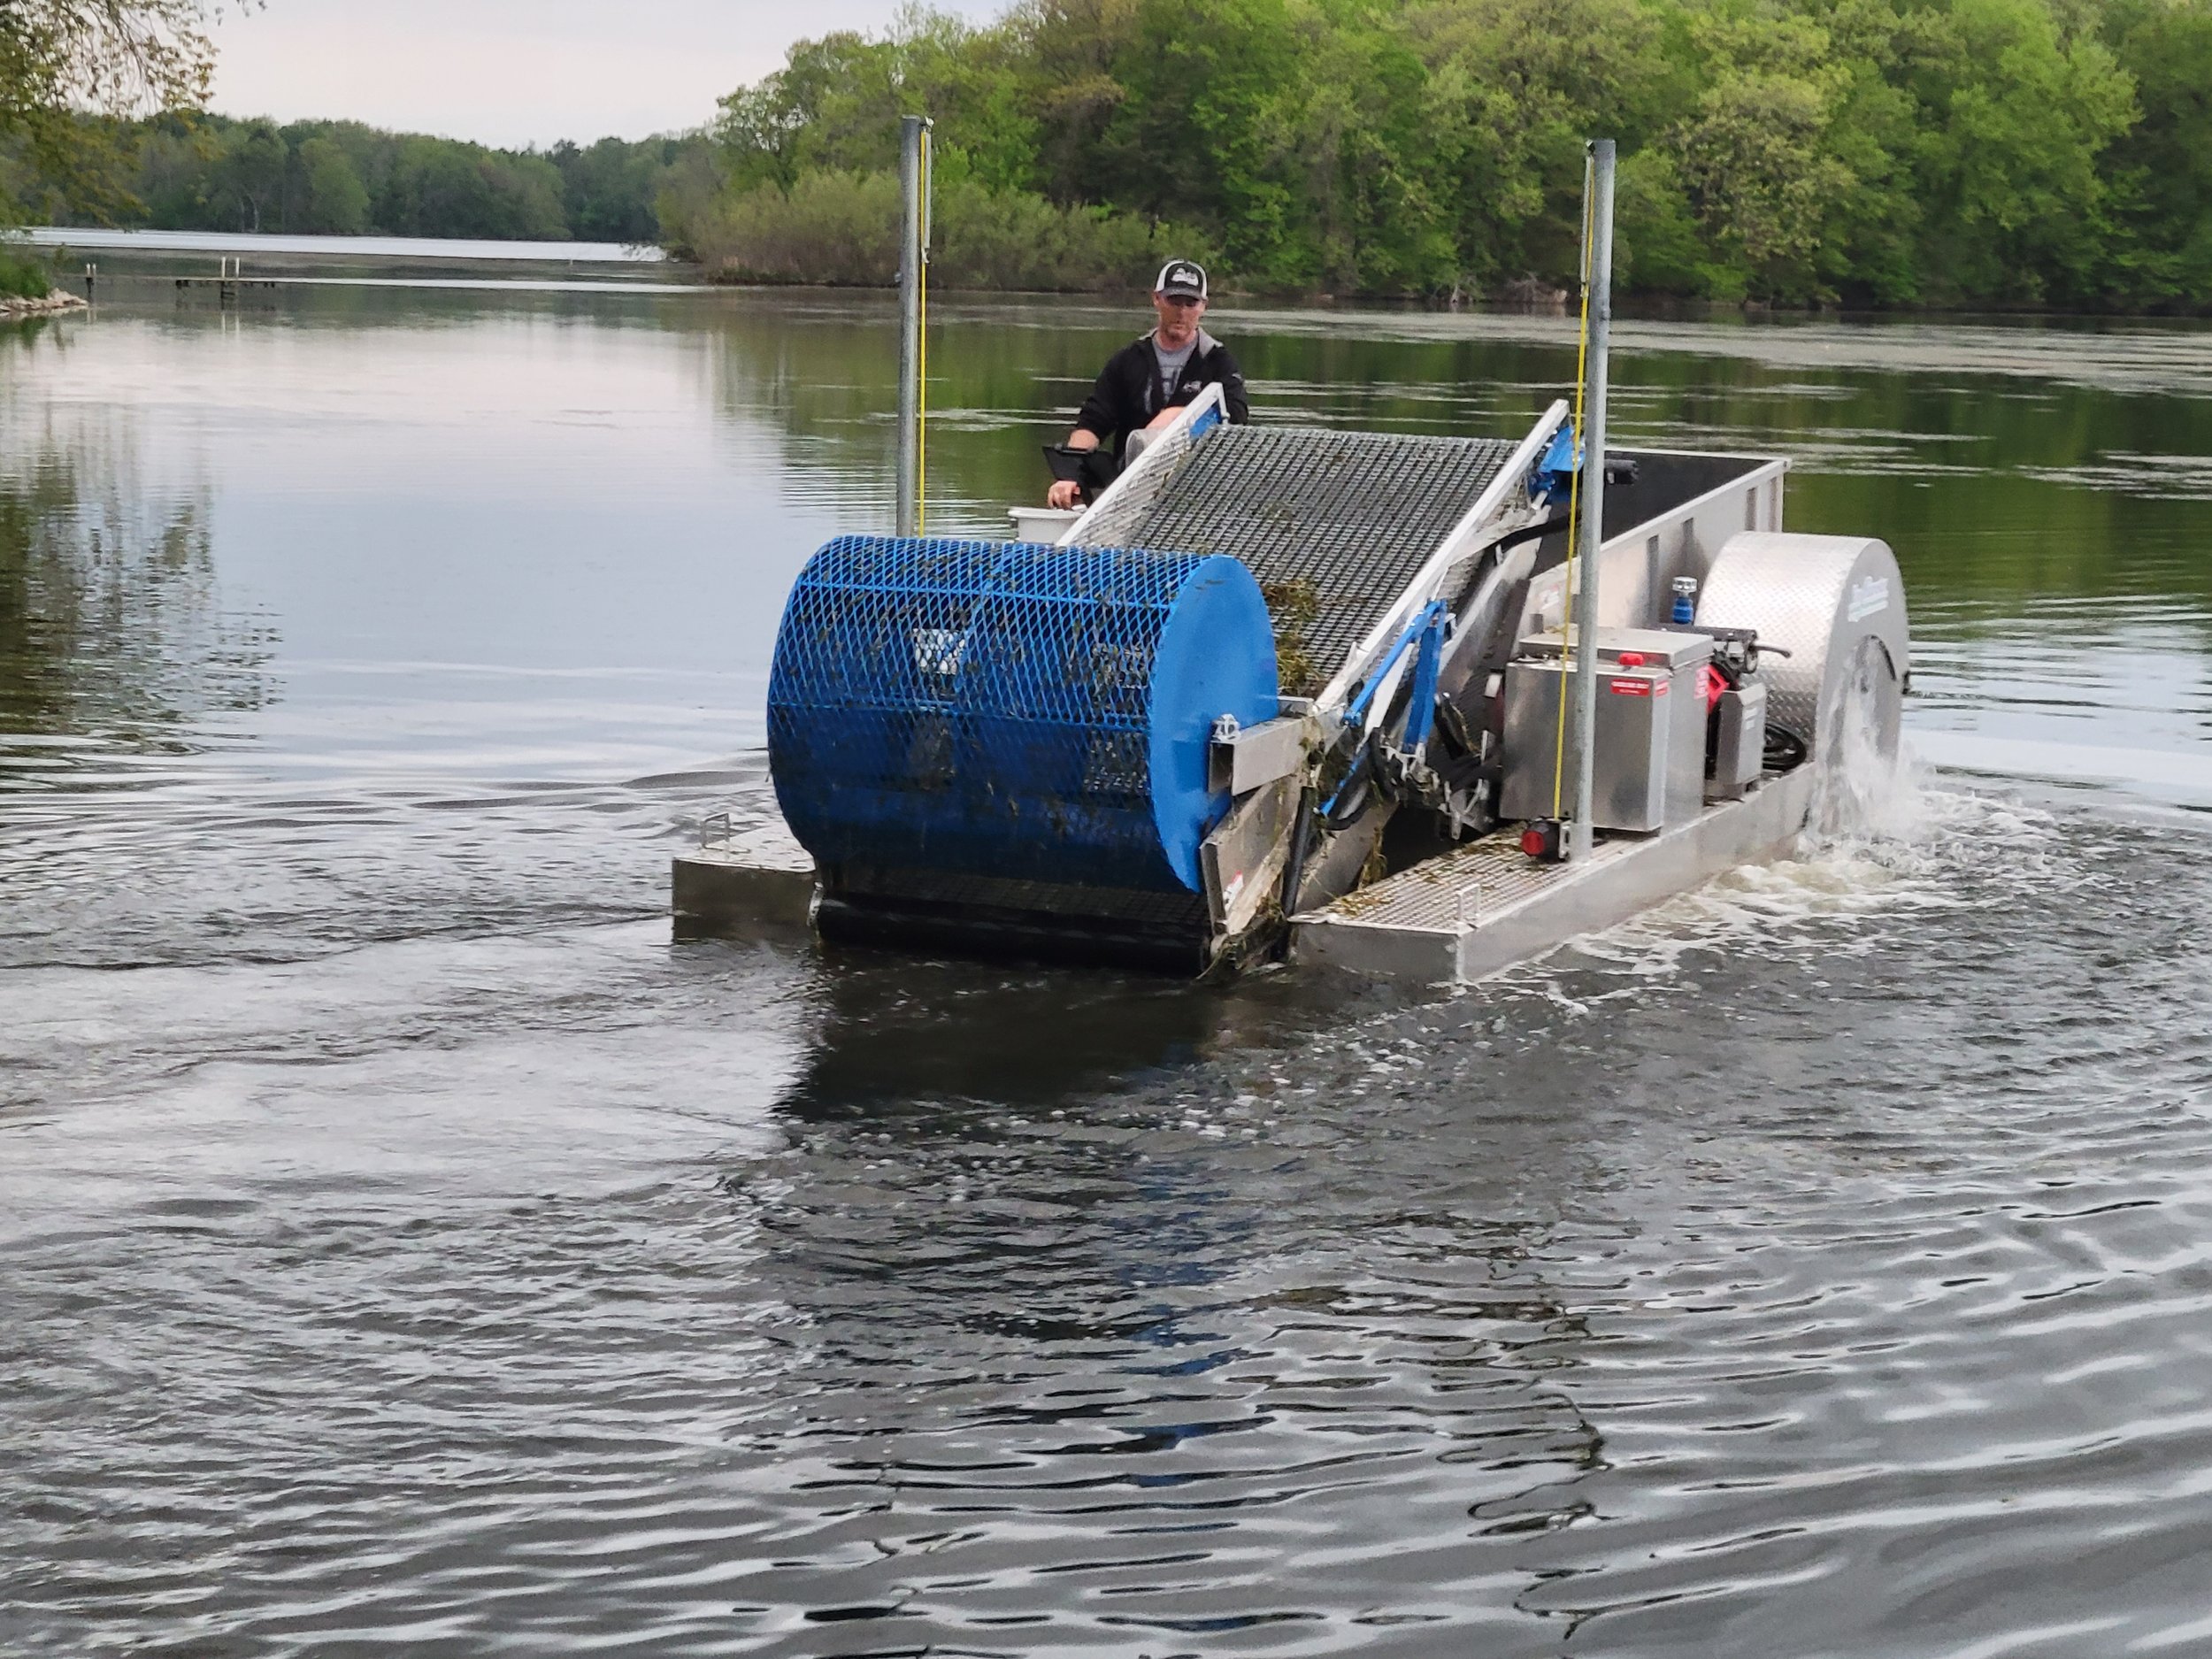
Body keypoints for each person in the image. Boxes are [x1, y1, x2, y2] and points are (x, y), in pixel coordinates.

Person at [1046, 259, 1249, 509]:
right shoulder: (1127, 360)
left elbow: (1236, 415)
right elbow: (1093, 421)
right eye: (1174, 301)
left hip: (1200, 493)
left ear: (1203, 307)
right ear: (1156, 299)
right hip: (1131, 489)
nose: (1182, 311)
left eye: (1191, 303)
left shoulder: (1219, 361)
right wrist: (1070, 475)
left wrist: (1179, 415)